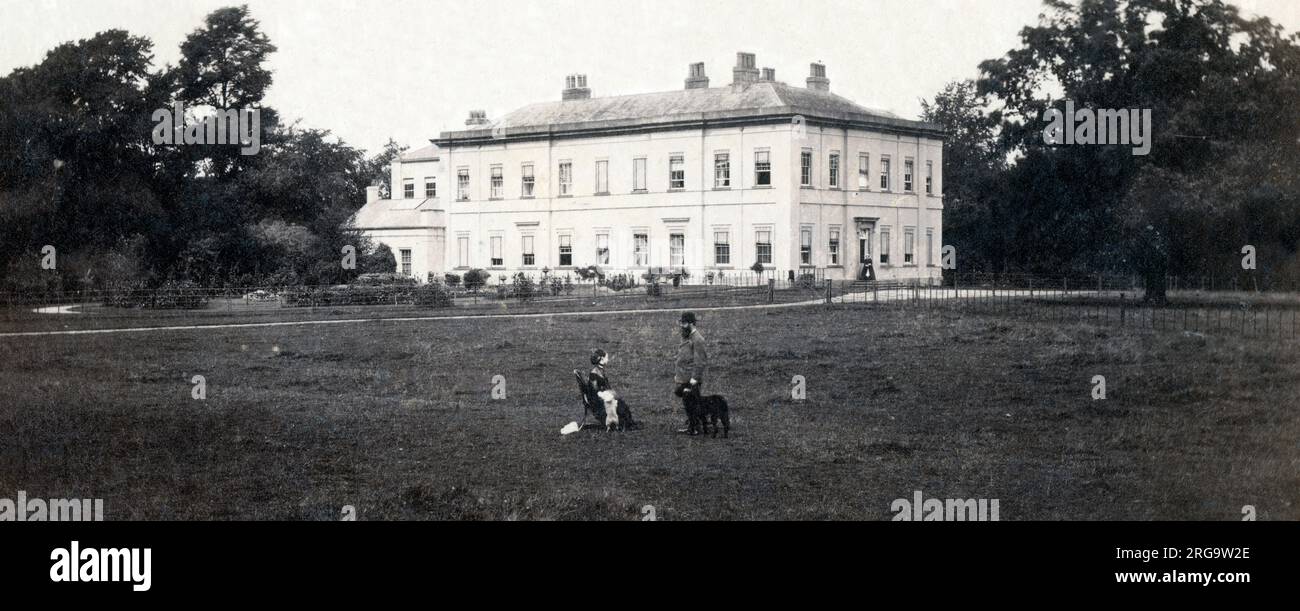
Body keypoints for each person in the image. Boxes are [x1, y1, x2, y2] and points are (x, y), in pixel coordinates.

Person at [673, 311, 708, 434]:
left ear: (692, 324)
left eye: (684, 323)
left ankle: (695, 428)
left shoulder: (698, 339)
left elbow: (701, 361)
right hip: (683, 377)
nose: (682, 326)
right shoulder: (687, 337)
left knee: (692, 403)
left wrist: (695, 378)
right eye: (681, 323)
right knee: (688, 403)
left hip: (691, 379)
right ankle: (693, 425)